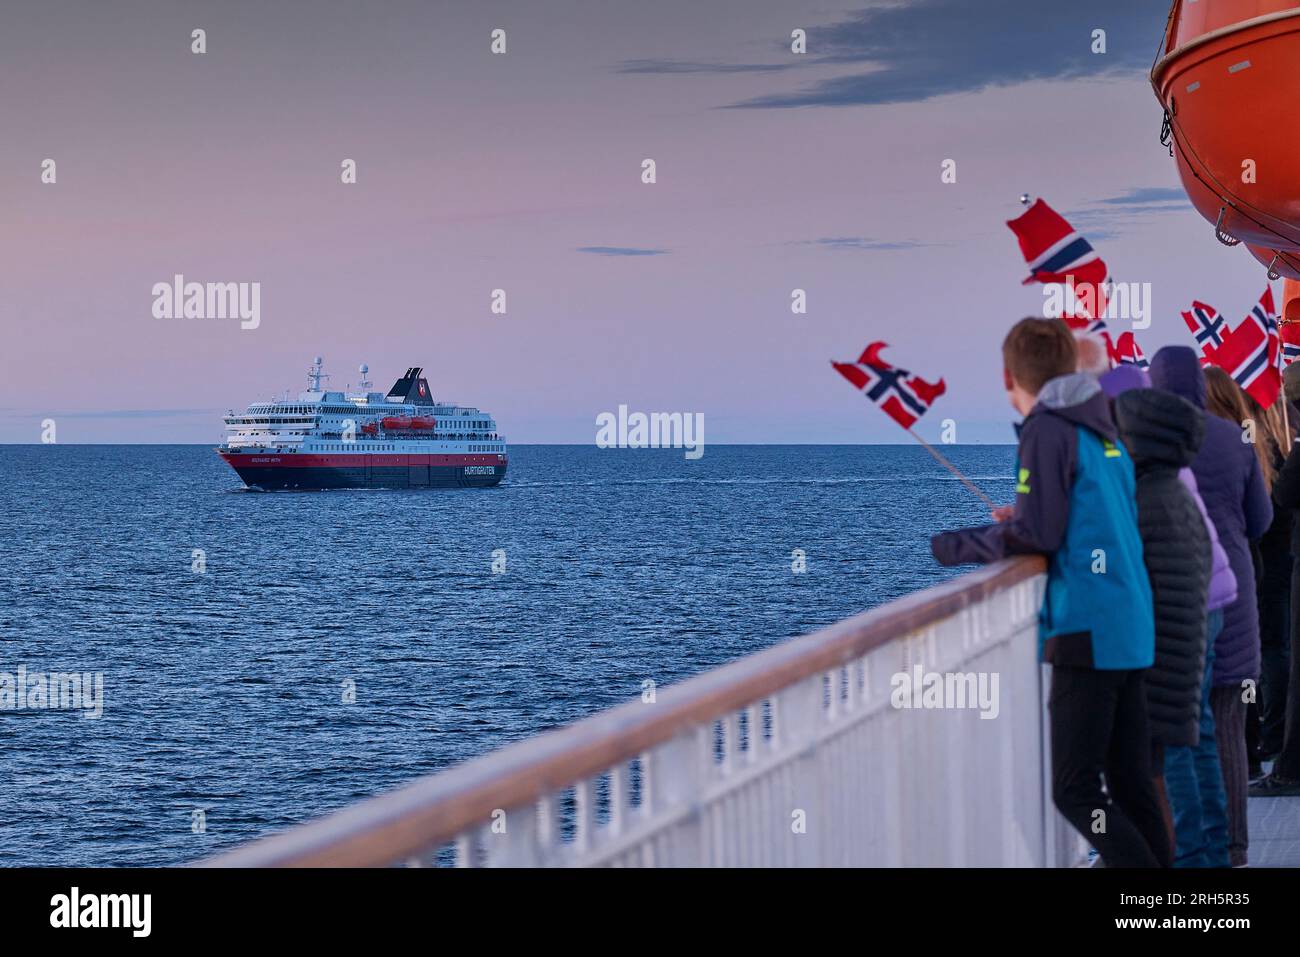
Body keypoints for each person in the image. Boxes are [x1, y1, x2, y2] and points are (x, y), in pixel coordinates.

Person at [931, 318, 1166, 867]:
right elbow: (1091, 512)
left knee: (1075, 789)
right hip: (1130, 619)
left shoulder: (1046, 429)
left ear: (1008, 376)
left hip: (1087, 625)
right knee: (1132, 785)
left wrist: (955, 545)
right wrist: (1030, 511)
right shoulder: (1098, 425)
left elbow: (1040, 535)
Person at [1151, 351, 1272, 867]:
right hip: (1234, 591)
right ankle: (1234, 848)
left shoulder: (1149, 439)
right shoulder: (1235, 439)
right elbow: (1261, 519)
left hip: (1174, 597)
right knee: (1227, 725)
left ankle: (1181, 844)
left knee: (1177, 730)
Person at [1110, 380, 1212, 865]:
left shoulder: (1147, 502)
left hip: (1152, 676)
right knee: (1155, 784)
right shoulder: (1172, 495)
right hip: (1174, 670)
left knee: (1149, 789)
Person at [1239, 391, 1295, 776]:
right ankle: (1274, 733)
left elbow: (1262, 512)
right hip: (1283, 558)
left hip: (1262, 560)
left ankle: (1268, 735)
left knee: (1264, 650)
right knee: (1277, 647)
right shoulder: (1285, 444)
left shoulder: (1260, 449)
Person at [1255, 362, 1300, 796]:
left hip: (1276, 557)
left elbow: (1278, 500)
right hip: (1284, 555)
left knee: (1275, 648)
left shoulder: (1281, 439)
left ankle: (1278, 747)